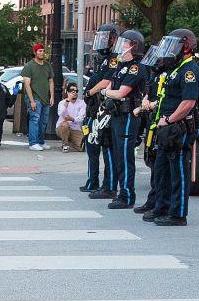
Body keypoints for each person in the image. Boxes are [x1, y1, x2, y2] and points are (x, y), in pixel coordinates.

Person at [145, 29, 199, 227]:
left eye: (174, 46)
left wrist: (169, 119)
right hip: (167, 128)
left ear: (185, 47)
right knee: (162, 170)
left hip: (178, 128)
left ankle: (178, 214)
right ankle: (161, 207)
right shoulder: (176, 69)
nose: (169, 51)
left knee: (178, 171)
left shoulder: (189, 70)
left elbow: (188, 103)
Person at [99, 31, 148, 209]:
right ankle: (122, 192)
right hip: (117, 114)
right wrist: (109, 92)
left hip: (128, 115)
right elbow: (111, 86)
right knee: (118, 155)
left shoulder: (136, 67)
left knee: (126, 157)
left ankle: (127, 195)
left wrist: (105, 92)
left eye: (126, 44)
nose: (122, 47)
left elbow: (120, 93)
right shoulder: (121, 66)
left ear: (134, 46)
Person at [82, 24, 119, 195]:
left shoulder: (114, 59)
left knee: (107, 148)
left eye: (105, 38)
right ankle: (94, 181)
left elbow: (106, 82)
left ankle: (109, 186)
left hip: (105, 110)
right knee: (93, 146)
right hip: (94, 108)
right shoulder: (104, 59)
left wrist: (90, 91)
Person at [21, 42, 57, 150]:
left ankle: (41, 141)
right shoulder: (29, 66)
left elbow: (51, 81)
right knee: (35, 119)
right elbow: (27, 84)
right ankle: (33, 143)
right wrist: (31, 101)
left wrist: (52, 96)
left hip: (45, 98)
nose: (42, 53)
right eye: (39, 51)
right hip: (34, 98)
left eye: (43, 51)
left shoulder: (47, 65)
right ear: (35, 52)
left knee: (44, 121)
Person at [55, 83, 86, 150]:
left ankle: (69, 143)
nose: (74, 92)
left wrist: (72, 119)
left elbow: (81, 118)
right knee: (65, 125)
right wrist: (68, 100)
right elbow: (60, 113)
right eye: (72, 90)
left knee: (83, 147)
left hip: (75, 129)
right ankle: (65, 145)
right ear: (67, 92)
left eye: (76, 91)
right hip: (62, 128)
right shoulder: (62, 102)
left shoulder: (82, 103)